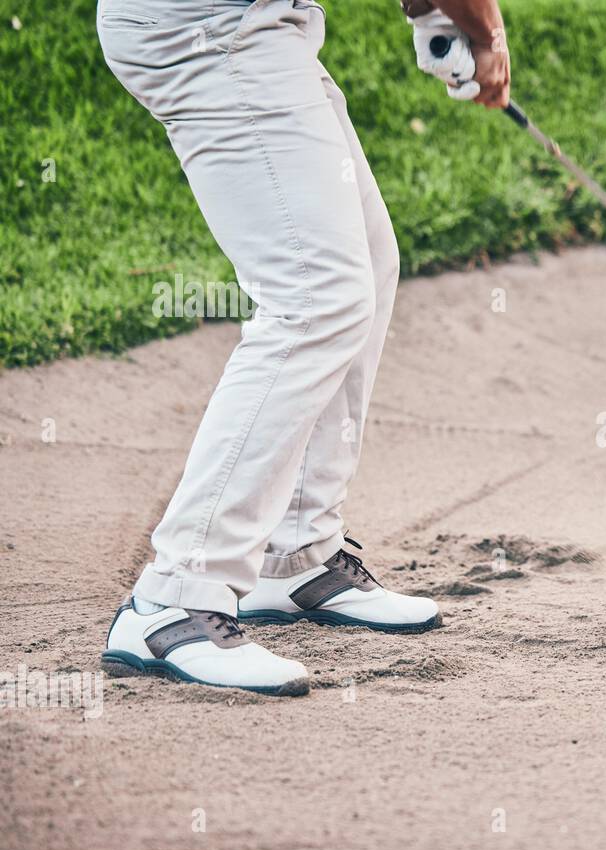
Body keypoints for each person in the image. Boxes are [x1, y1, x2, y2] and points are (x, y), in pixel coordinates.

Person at [97, 0, 510, 696]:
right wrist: (482, 32)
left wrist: (432, 14)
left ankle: (293, 551)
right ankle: (174, 597)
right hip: (202, 31)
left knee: (367, 268)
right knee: (314, 293)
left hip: (254, 23)